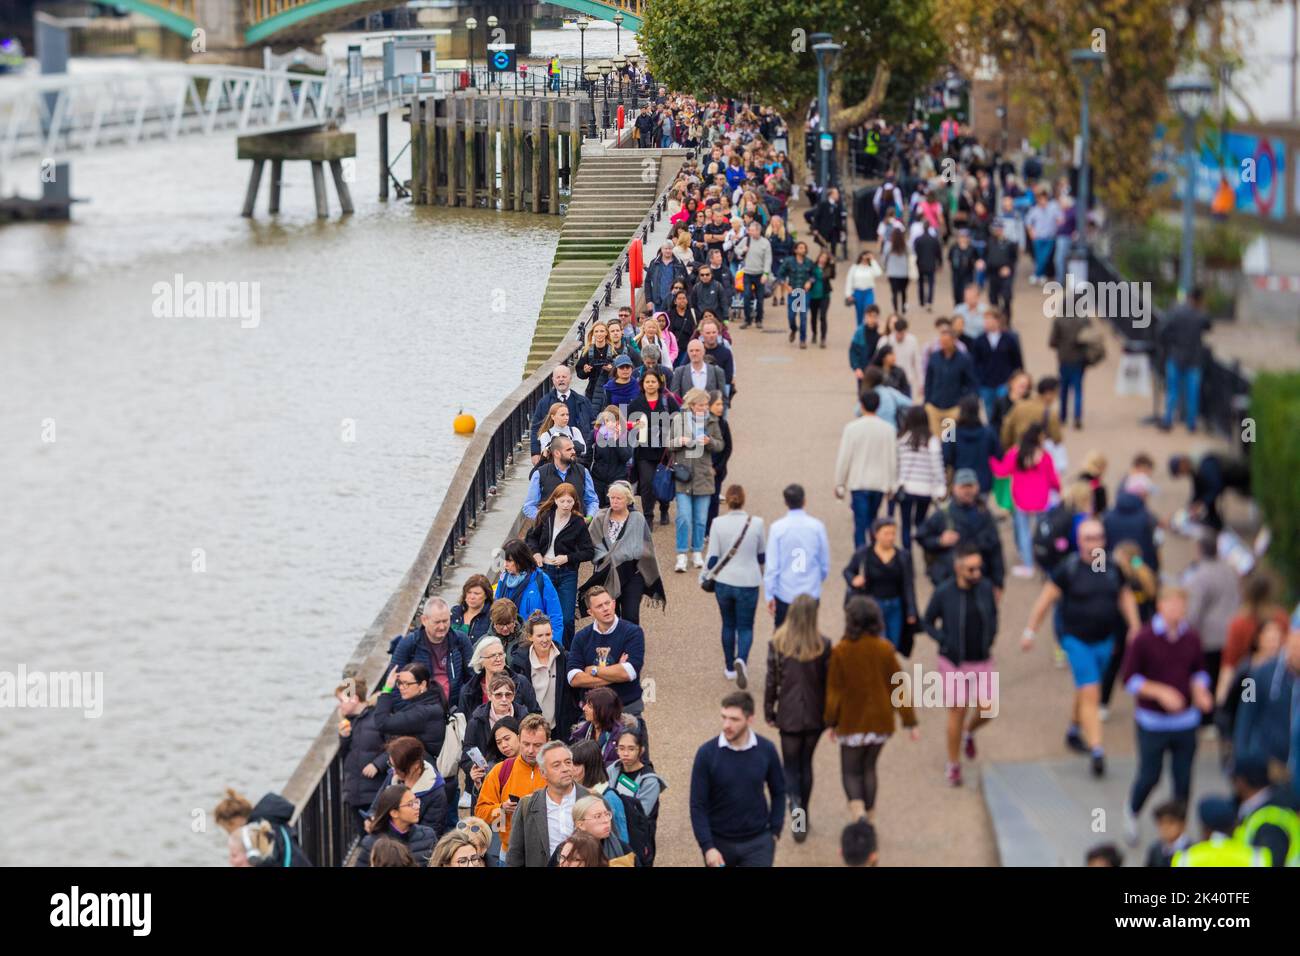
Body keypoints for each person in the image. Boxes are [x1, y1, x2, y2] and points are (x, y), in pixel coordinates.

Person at [1023, 519, 1142, 776]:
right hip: (1075, 639)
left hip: (1105, 639)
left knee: (1087, 686)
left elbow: (1124, 595)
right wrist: (1030, 631)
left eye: (1098, 537)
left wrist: (1134, 626)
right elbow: (1046, 599)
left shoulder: (1112, 568)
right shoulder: (1069, 569)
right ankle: (1097, 749)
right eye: (1088, 538)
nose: (1093, 544)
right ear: (1079, 541)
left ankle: (1074, 728)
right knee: (1091, 691)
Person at [1119, 586, 1214, 846]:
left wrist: (1200, 690)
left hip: (1186, 722)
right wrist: (1160, 692)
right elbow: (1129, 679)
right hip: (1153, 722)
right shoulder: (1145, 638)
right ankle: (1132, 811)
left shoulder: (1191, 638)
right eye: (1172, 604)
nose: (1177, 610)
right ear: (1160, 606)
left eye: (1181, 605)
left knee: (1183, 780)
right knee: (1150, 774)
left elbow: (1199, 671)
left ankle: (1177, 831)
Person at [825, 596, 919, 819]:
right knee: (869, 769)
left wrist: (830, 721)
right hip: (880, 722)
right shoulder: (885, 649)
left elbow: (834, 692)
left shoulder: (841, 651)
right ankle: (871, 815)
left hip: (851, 721)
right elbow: (898, 687)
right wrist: (910, 722)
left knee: (850, 771)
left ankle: (858, 815)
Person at [923, 545, 998, 786]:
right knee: (958, 710)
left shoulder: (985, 588)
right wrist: (944, 640)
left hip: (982, 659)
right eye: (971, 569)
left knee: (988, 709)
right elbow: (927, 621)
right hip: (954, 662)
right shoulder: (944, 592)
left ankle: (969, 732)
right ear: (958, 568)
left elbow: (994, 616)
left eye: (979, 568)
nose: (977, 573)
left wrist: (990, 638)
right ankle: (954, 764)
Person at [690, 691, 786, 867]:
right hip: (719, 845)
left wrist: (775, 831)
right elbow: (698, 804)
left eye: (734, 719)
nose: (726, 724)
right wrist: (707, 847)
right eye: (724, 717)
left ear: (750, 720)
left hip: (759, 843)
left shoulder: (766, 750)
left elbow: (779, 791)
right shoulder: (706, 754)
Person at [764, 594, 831, 840]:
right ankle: (803, 812)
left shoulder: (778, 644)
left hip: (788, 715)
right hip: (815, 715)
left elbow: (772, 681)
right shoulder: (823, 644)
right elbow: (829, 684)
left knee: (790, 768)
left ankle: (796, 812)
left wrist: (769, 711)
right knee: (806, 765)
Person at [705, 483, 766, 685]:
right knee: (746, 626)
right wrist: (762, 575)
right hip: (748, 581)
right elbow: (761, 555)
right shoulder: (756, 523)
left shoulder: (717, 523)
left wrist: (704, 576)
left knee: (728, 623)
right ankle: (742, 659)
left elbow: (713, 557)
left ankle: (730, 667)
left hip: (724, 581)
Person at [582, 481, 664, 625]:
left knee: (631, 616)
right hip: (606, 572)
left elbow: (644, 547)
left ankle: (632, 646)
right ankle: (616, 646)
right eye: (612, 498)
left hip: (632, 573)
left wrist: (620, 555)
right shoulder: (600, 517)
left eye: (618, 498)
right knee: (611, 616)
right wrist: (606, 556)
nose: (614, 501)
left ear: (628, 500)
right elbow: (591, 542)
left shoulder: (637, 518)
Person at [388, 597, 475, 730]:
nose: (442, 626)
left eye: (446, 621)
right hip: (419, 714)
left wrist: (463, 711)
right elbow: (394, 683)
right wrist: (409, 714)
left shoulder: (461, 641)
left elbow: (472, 679)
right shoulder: (409, 645)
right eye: (437, 622)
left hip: (454, 712)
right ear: (424, 620)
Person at [524, 484, 594, 648]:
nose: (566, 505)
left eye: (569, 501)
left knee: (567, 617)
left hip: (566, 573)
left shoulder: (578, 523)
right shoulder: (545, 516)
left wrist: (568, 558)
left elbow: (588, 551)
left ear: (574, 502)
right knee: (540, 614)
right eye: (562, 501)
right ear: (555, 500)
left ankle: (568, 652)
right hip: (544, 570)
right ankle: (539, 648)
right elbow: (531, 538)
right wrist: (536, 553)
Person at [568, 585, 648, 728]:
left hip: (627, 710)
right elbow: (574, 679)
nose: (605, 608)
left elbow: (629, 673)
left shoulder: (633, 632)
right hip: (593, 714)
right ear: (590, 612)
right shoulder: (581, 638)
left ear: (614, 603)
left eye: (607, 603)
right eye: (599, 606)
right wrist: (616, 673)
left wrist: (593, 670)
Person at [474, 713, 549, 863]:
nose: (530, 750)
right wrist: (502, 809)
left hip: (548, 854)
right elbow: (481, 812)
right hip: (509, 853)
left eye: (537, 745)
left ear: (549, 743)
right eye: (526, 744)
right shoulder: (500, 770)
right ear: (519, 739)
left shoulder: (556, 770)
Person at [917, 469, 1005, 593]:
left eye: (970, 486)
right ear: (954, 488)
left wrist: (998, 583)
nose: (967, 490)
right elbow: (921, 536)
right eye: (963, 486)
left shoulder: (985, 514)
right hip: (948, 581)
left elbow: (996, 549)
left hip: (980, 579)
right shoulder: (943, 514)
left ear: (977, 487)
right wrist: (940, 541)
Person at [990, 422, 1060, 577]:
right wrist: (1059, 490)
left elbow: (1002, 471)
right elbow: (1053, 479)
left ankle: (1028, 564)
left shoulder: (1015, 454)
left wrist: (990, 459)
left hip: (1021, 499)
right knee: (1043, 530)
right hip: (1042, 499)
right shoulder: (1045, 456)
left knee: (1024, 532)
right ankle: (1046, 560)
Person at [842, 516, 920, 654]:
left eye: (893, 534)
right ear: (876, 534)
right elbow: (848, 571)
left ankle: (887, 671)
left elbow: (908, 585)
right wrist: (854, 580)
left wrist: (911, 610)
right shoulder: (864, 554)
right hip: (873, 604)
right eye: (886, 534)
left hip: (895, 606)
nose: (890, 538)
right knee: (878, 642)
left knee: (893, 643)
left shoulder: (903, 556)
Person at [506, 741, 589, 866]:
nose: (565, 769)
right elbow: (515, 855)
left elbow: (608, 848)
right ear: (543, 773)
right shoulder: (527, 805)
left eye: (568, 762)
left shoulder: (591, 800)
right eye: (557, 765)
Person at [834, 390, 899, 550]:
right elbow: (892, 459)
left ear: (861, 406)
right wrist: (892, 484)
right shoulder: (888, 429)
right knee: (872, 520)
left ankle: (861, 555)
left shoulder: (852, 428)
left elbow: (844, 458)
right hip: (879, 483)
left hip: (859, 482)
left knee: (860, 523)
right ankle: (872, 553)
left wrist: (840, 483)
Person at [669, 389, 725, 572]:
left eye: (705, 405)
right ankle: (681, 554)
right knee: (684, 517)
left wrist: (709, 441)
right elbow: (669, 443)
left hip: (703, 476)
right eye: (700, 405)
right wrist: (680, 441)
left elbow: (720, 445)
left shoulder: (712, 421)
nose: (703, 408)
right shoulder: (678, 419)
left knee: (701, 519)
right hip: (683, 476)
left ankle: (697, 552)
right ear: (691, 405)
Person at [374, 663, 449, 797]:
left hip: (424, 775)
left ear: (422, 685)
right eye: (399, 683)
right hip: (426, 771)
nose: (402, 688)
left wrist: (386, 690)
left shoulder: (423, 712)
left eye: (407, 684)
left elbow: (382, 723)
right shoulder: (429, 702)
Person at [764, 483, 831, 629]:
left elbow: (772, 566)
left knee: (782, 637)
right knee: (808, 634)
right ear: (804, 501)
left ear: (785, 502)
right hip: (810, 592)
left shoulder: (777, 528)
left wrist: (770, 594)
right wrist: (817, 580)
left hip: (784, 593)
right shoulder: (817, 526)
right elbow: (824, 563)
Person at [365, 734, 448, 837]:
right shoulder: (394, 776)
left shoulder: (436, 793)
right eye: (391, 765)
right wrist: (371, 818)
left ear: (415, 767)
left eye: (398, 768)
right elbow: (377, 806)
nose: (393, 772)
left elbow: (429, 835)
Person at [627, 367, 681, 525]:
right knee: (647, 483)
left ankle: (664, 509)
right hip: (644, 451)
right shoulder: (636, 403)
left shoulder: (667, 400)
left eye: (653, 381)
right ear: (642, 384)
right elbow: (628, 425)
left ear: (659, 383)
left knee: (663, 479)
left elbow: (678, 419)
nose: (650, 384)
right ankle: (648, 516)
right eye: (647, 382)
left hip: (664, 450)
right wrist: (634, 425)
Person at [509, 612, 577, 737]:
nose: (545, 640)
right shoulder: (519, 662)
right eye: (540, 635)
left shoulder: (564, 658)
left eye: (548, 634)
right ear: (530, 637)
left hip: (561, 728)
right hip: (532, 729)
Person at [607, 727, 667, 866]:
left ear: (641, 750)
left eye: (631, 749)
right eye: (621, 748)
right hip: (614, 837)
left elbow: (640, 813)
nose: (625, 754)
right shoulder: (612, 770)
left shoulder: (650, 781)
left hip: (638, 841)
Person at [1159, 286, 1212, 432]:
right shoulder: (1199, 315)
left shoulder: (1176, 312)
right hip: (1194, 359)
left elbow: (1163, 331)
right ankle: (1191, 424)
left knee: (1172, 391)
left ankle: (1167, 420)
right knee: (1192, 394)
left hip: (1175, 356)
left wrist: (1170, 345)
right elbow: (1209, 325)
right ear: (1199, 300)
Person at [895, 406, 945, 550]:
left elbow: (897, 464)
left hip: (906, 487)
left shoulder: (902, 438)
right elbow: (937, 466)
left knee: (905, 524)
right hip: (925, 488)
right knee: (921, 522)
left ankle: (907, 554)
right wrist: (940, 487)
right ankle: (924, 549)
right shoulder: (932, 440)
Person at [354, 785, 437, 867]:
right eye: (410, 804)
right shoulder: (372, 843)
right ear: (394, 813)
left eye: (416, 801)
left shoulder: (428, 835)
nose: (417, 807)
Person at [458, 633, 540, 716]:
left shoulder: (521, 682)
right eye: (492, 655)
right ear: (481, 661)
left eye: (500, 654)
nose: (498, 659)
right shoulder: (468, 691)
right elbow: (464, 724)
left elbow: (536, 715)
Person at [1167, 451, 1251, 532]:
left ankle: (1216, 526)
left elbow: (1216, 487)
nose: (1182, 474)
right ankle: (1215, 525)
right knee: (1207, 502)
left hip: (1242, 478)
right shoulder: (1194, 467)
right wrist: (1190, 507)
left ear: (1182, 462)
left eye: (1180, 471)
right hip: (1230, 480)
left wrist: (1202, 502)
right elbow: (1198, 489)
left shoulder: (1204, 463)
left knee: (1208, 500)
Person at [922, 320, 978, 439]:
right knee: (935, 440)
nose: (944, 344)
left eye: (946, 341)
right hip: (934, 407)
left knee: (948, 439)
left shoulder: (963, 360)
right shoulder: (934, 357)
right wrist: (927, 402)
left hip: (953, 408)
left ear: (954, 341)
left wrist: (963, 402)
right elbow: (928, 381)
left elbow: (971, 383)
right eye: (942, 341)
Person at [522, 435, 599, 520]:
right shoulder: (539, 474)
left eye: (573, 448)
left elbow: (592, 501)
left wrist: (589, 518)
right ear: (557, 453)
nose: (573, 451)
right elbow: (529, 506)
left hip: (577, 528)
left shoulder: (583, 471)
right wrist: (545, 521)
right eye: (569, 449)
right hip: (549, 530)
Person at [529, 365, 594, 460]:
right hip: (554, 457)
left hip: (579, 455)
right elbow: (536, 428)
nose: (561, 380)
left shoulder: (583, 402)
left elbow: (593, 424)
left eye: (564, 377)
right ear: (553, 380)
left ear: (570, 378)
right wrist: (535, 452)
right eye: (558, 377)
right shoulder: (544, 403)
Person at [1102, 472, 1161, 575]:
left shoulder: (1107, 516)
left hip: (1113, 572)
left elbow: (1102, 547)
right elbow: (1154, 548)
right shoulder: (1148, 518)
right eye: (1147, 493)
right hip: (1139, 570)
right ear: (1142, 494)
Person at [971, 308, 1023, 421]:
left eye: (989, 319)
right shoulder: (979, 340)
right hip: (986, 384)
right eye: (985, 320)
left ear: (997, 321)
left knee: (1005, 412)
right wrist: (978, 381)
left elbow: (1017, 361)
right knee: (990, 413)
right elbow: (975, 363)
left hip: (1004, 383)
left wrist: (1017, 379)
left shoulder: (1009, 339)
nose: (986, 322)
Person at [1048, 298, 1091, 430]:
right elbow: (1090, 339)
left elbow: (1052, 341)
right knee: (1078, 389)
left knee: (1064, 389)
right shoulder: (1084, 320)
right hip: (1079, 359)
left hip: (1064, 359)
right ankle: (1077, 417)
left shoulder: (1060, 320)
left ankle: (1063, 416)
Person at [557, 795, 636, 866]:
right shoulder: (566, 849)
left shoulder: (622, 848)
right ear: (580, 824)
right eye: (598, 816)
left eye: (607, 814)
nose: (606, 820)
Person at [945, 394, 1000, 496]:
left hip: (960, 482)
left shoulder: (952, 433)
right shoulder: (989, 433)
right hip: (982, 483)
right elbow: (998, 454)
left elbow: (946, 457)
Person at [1000, 375, 1064, 450]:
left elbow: (1006, 430)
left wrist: (1009, 449)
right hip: (1038, 455)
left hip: (1017, 452)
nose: (1056, 397)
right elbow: (1057, 438)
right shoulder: (1050, 413)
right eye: (1056, 393)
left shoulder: (1019, 406)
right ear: (1048, 394)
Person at [776, 239, 818, 347]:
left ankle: (802, 340)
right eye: (800, 248)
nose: (802, 250)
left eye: (804, 248)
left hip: (804, 293)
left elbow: (814, 275)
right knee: (791, 316)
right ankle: (793, 329)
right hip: (793, 291)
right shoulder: (789, 261)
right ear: (795, 250)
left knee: (803, 317)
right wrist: (786, 286)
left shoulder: (809, 262)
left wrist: (809, 282)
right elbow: (780, 274)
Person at [738, 220, 772, 329]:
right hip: (747, 273)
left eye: (752, 230)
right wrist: (742, 250)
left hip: (760, 274)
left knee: (760, 298)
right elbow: (736, 250)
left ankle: (759, 319)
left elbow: (768, 259)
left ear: (758, 231)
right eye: (749, 230)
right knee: (747, 296)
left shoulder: (765, 243)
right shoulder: (746, 240)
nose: (750, 232)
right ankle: (747, 319)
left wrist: (766, 273)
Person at [643, 241, 689, 315]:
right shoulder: (654, 263)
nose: (668, 251)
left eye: (670, 249)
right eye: (666, 248)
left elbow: (687, 282)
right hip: (658, 302)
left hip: (675, 301)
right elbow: (647, 282)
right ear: (661, 249)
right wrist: (648, 300)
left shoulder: (679, 263)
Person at [1146, 801, 1192, 867]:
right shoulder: (1155, 850)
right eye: (1161, 823)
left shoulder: (1193, 850)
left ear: (1182, 825)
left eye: (1170, 823)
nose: (1165, 828)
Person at [449, 575, 494, 643]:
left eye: (477, 593)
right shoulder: (455, 611)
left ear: (486, 595)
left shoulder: (491, 617)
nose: (472, 597)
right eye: (469, 592)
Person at [845, 250, 882, 326]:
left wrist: (873, 260)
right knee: (859, 313)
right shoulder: (855, 267)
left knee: (869, 311)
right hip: (858, 292)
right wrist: (848, 294)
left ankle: (869, 327)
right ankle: (860, 330)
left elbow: (878, 273)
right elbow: (849, 280)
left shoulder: (871, 267)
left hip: (868, 292)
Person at [912, 224, 942, 312]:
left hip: (921, 264)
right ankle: (929, 301)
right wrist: (940, 263)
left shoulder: (918, 239)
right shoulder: (934, 240)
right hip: (931, 264)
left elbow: (916, 251)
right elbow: (938, 253)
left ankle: (921, 300)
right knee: (931, 283)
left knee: (921, 283)